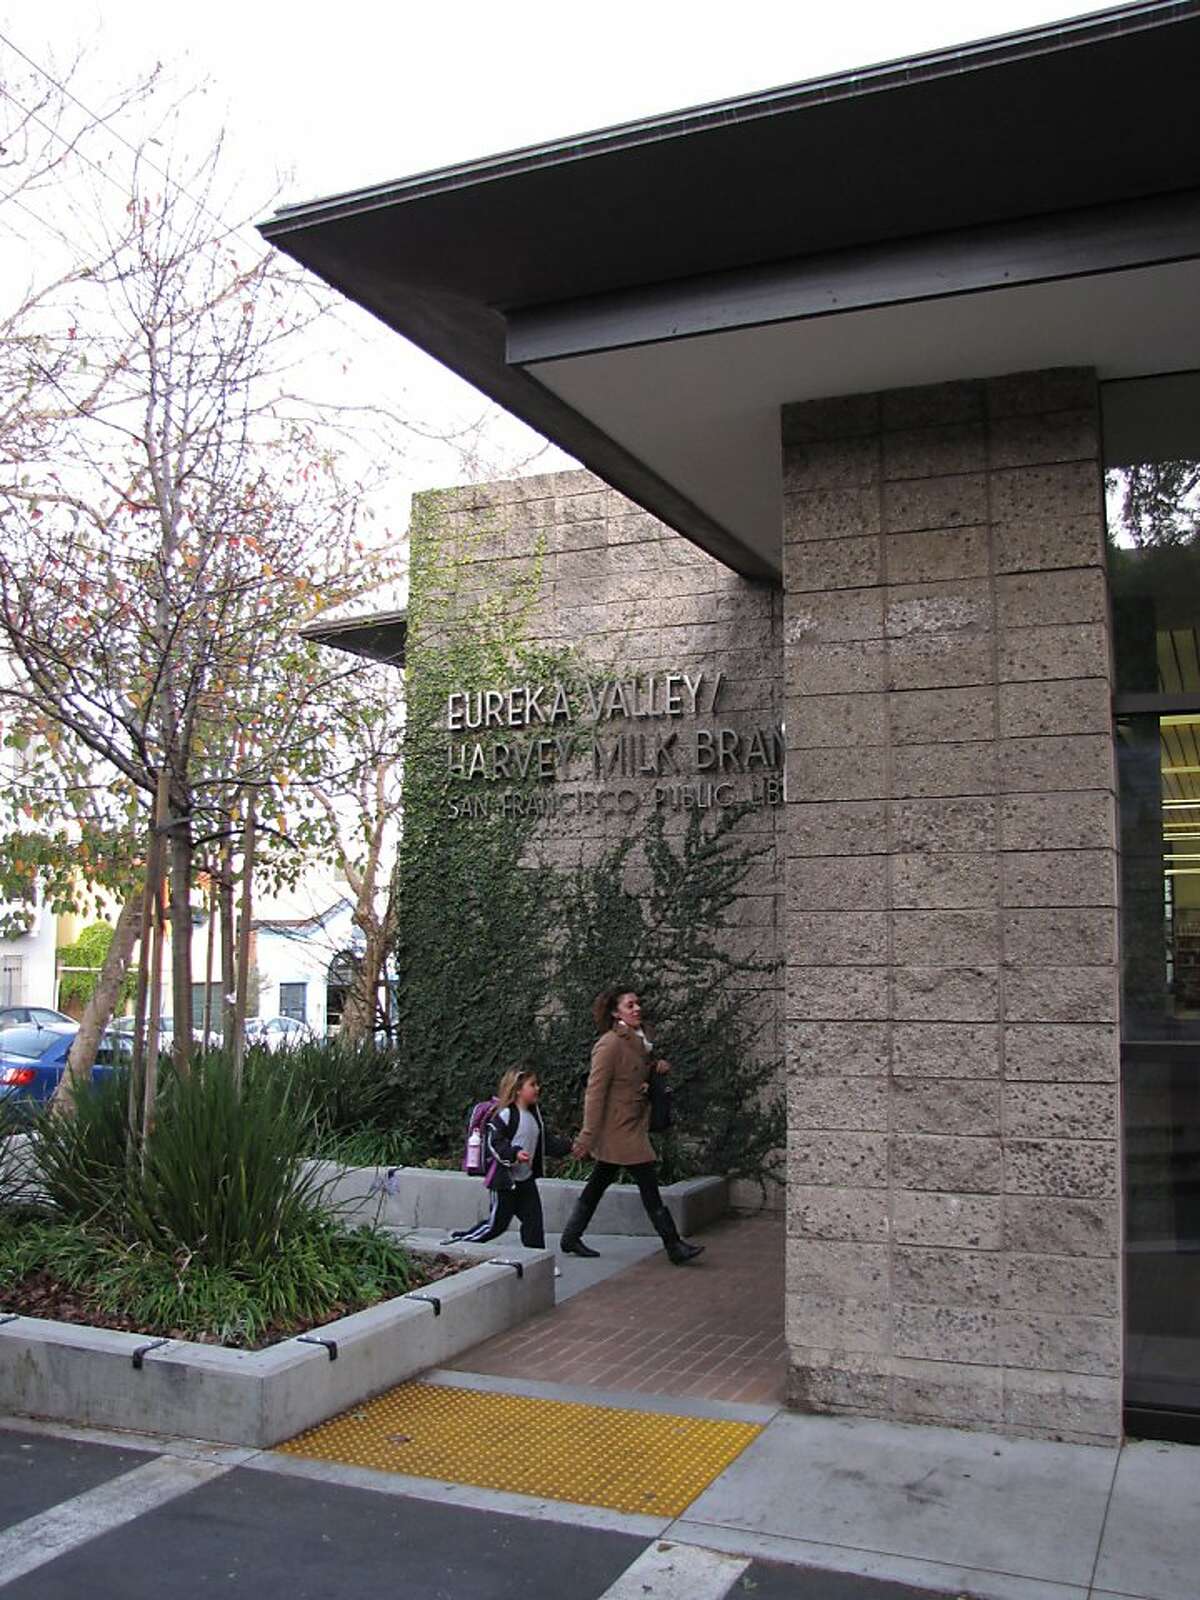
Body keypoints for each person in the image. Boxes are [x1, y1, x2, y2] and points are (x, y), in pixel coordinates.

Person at [560, 986, 704, 1265]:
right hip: (620, 1128)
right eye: (629, 1005)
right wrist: (587, 1136)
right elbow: (595, 1092)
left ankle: (570, 1236)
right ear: (616, 1012)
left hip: (630, 1123)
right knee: (648, 1183)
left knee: (600, 1181)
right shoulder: (610, 1044)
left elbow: (633, 1073)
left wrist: (655, 1068)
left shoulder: (637, 1041)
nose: (637, 1008)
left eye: (637, 1003)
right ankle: (674, 1246)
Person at [447, 1067, 569, 1249]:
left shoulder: (534, 1118)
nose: (538, 1088)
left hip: (526, 1180)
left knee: (534, 1222)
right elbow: (494, 1143)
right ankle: (459, 1243)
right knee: (496, 1225)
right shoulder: (505, 1115)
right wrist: (515, 1153)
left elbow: (545, 1143)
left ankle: (536, 1259)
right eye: (532, 1085)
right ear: (518, 1089)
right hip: (505, 1182)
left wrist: (570, 1147)